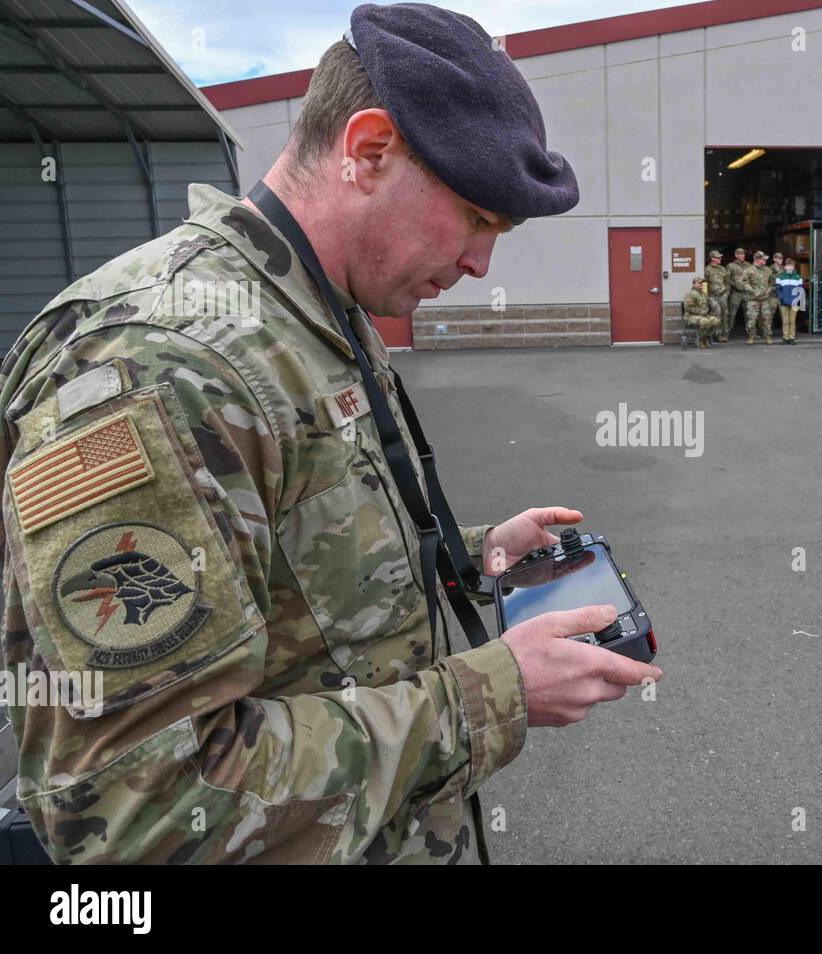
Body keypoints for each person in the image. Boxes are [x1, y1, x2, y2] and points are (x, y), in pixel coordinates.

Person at [0, 3, 662, 865]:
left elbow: (288, 558)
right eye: (476, 217)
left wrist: (468, 554)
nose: (479, 265)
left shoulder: (308, 312)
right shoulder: (164, 363)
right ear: (369, 150)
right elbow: (143, 808)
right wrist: (491, 691)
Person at [742, 250, 776, 344]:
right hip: (753, 299)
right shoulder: (748, 270)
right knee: (752, 318)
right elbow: (744, 283)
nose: (765, 261)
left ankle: (767, 336)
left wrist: (769, 290)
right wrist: (753, 291)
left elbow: (772, 282)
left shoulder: (768, 270)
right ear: (757, 259)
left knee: (766, 318)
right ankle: (751, 336)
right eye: (763, 259)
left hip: (765, 299)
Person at [683, 276, 721, 347]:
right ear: (694, 284)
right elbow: (688, 308)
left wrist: (716, 309)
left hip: (703, 315)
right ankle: (700, 340)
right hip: (691, 316)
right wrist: (701, 311)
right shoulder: (690, 294)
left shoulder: (703, 294)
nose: (701, 284)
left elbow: (710, 302)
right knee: (705, 322)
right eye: (699, 283)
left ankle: (705, 337)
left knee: (716, 321)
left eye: (702, 283)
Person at [774, 258, 804, 344]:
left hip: (794, 302)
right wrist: (781, 298)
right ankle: (785, 338)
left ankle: (791, 338)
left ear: (794, 267)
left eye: (792, 266)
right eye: (788, 266)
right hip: (784, 302)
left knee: (792, 321)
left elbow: (800, 289)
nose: (790, 267)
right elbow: (778, 289)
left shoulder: (798, 277)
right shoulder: (780, 277)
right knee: (785, 321)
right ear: (785, 267)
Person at [704, 249, 729, 343]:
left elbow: (727, 282)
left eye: (720, 257)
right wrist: (707, 297)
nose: (720, 258)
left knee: (724, 315)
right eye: (718, 257)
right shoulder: (707, 269)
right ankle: (716, 335)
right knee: (716, 315)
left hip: (723, 295)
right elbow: (704, 284)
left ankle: (725, 334)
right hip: (713, 296)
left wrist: (727, 293)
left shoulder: (722, 269)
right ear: (712, 258)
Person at [724, 247, 749, 343]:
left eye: (743, 254)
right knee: (731, 313)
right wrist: (734, 285)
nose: (743, 255)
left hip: (746, 292)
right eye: (740, 254)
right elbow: (727, 279)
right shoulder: (731, 266)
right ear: (736, 255)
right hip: (736, 293)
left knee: (749, 313)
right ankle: (726, 333)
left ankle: (751, 333)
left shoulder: (748, 265)